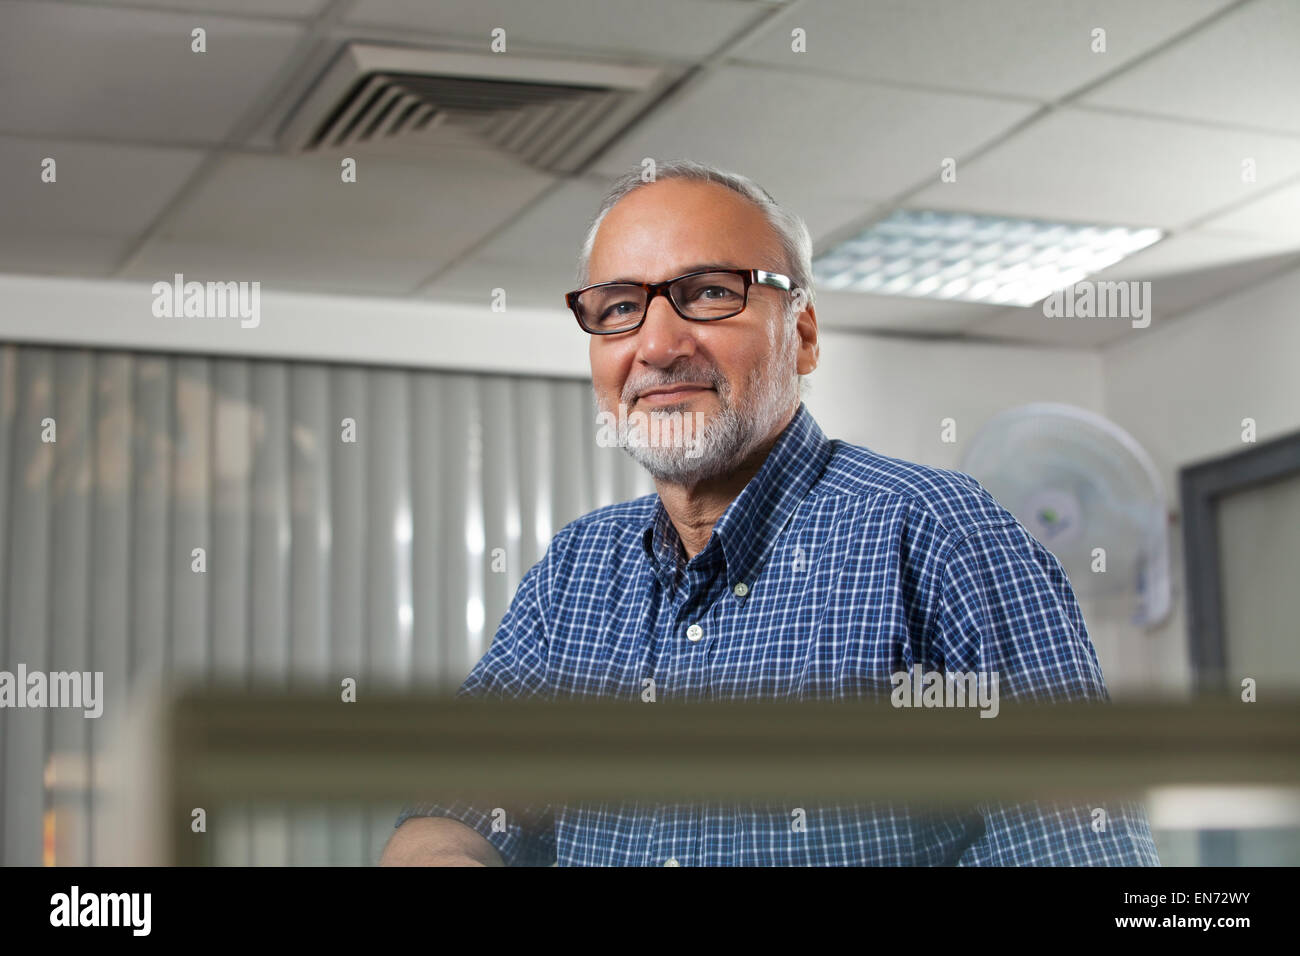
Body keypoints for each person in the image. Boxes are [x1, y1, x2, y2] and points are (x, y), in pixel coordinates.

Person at [380, 160, 1160, 866]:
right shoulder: (575, 574)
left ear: (804, 334)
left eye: (710, 292)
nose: (655, 344)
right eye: (619, 307)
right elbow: (455, 812)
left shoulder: (942, 537)